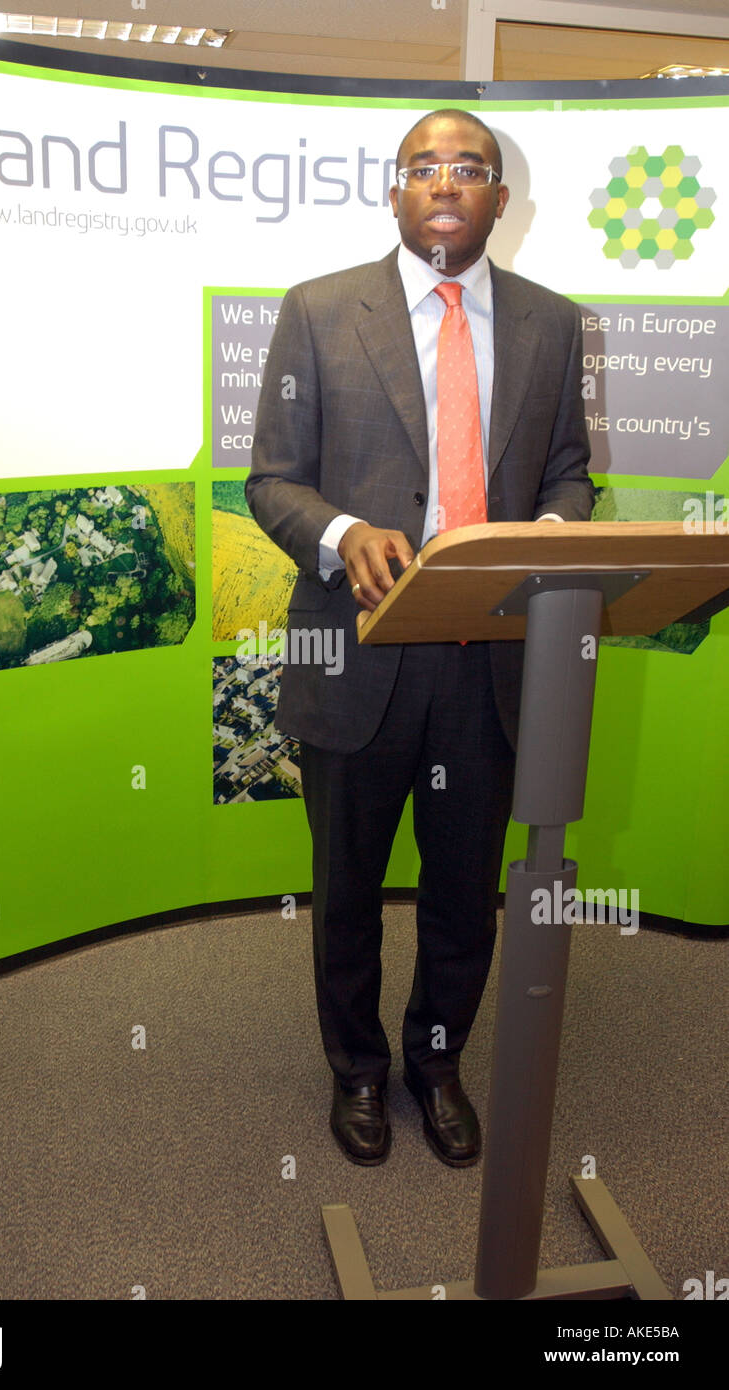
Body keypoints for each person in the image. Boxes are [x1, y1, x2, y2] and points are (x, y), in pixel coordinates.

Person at [246, 109, 594, 1167]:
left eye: (470, 168)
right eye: (424, 166)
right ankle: (354, 1071)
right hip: (356, 659)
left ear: (499, 199)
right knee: (346, 894)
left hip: (487, 666)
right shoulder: (315, 312)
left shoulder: (550, 322)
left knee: (461, 898)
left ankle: (430, 1063)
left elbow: (569, 470)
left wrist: (542, 537)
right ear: (393, 192)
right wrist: (341, 532)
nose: (446, 181)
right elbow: (270, 480)